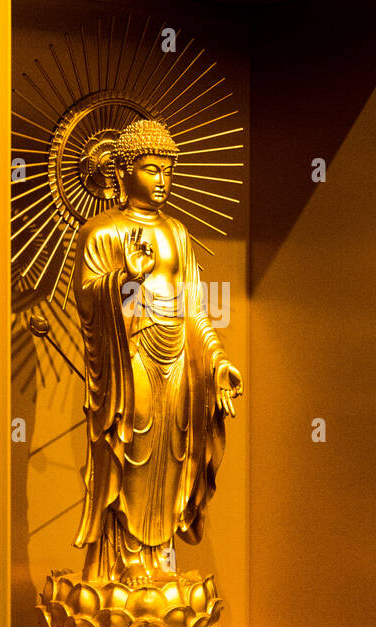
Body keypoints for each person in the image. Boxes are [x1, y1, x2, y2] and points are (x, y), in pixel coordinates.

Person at [73, 118, 242, 585]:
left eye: (168, 171)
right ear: (121, 172)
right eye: (150, 169)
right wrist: (126, 280)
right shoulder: (101, 232)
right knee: (134, 452)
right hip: (130, 362)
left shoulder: (177, 232)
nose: (162, 181)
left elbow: (195, 308)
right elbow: (87, 302)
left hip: (180, 358)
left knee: (174, 456)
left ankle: (159, 562)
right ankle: (121, 567)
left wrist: (218, 360)